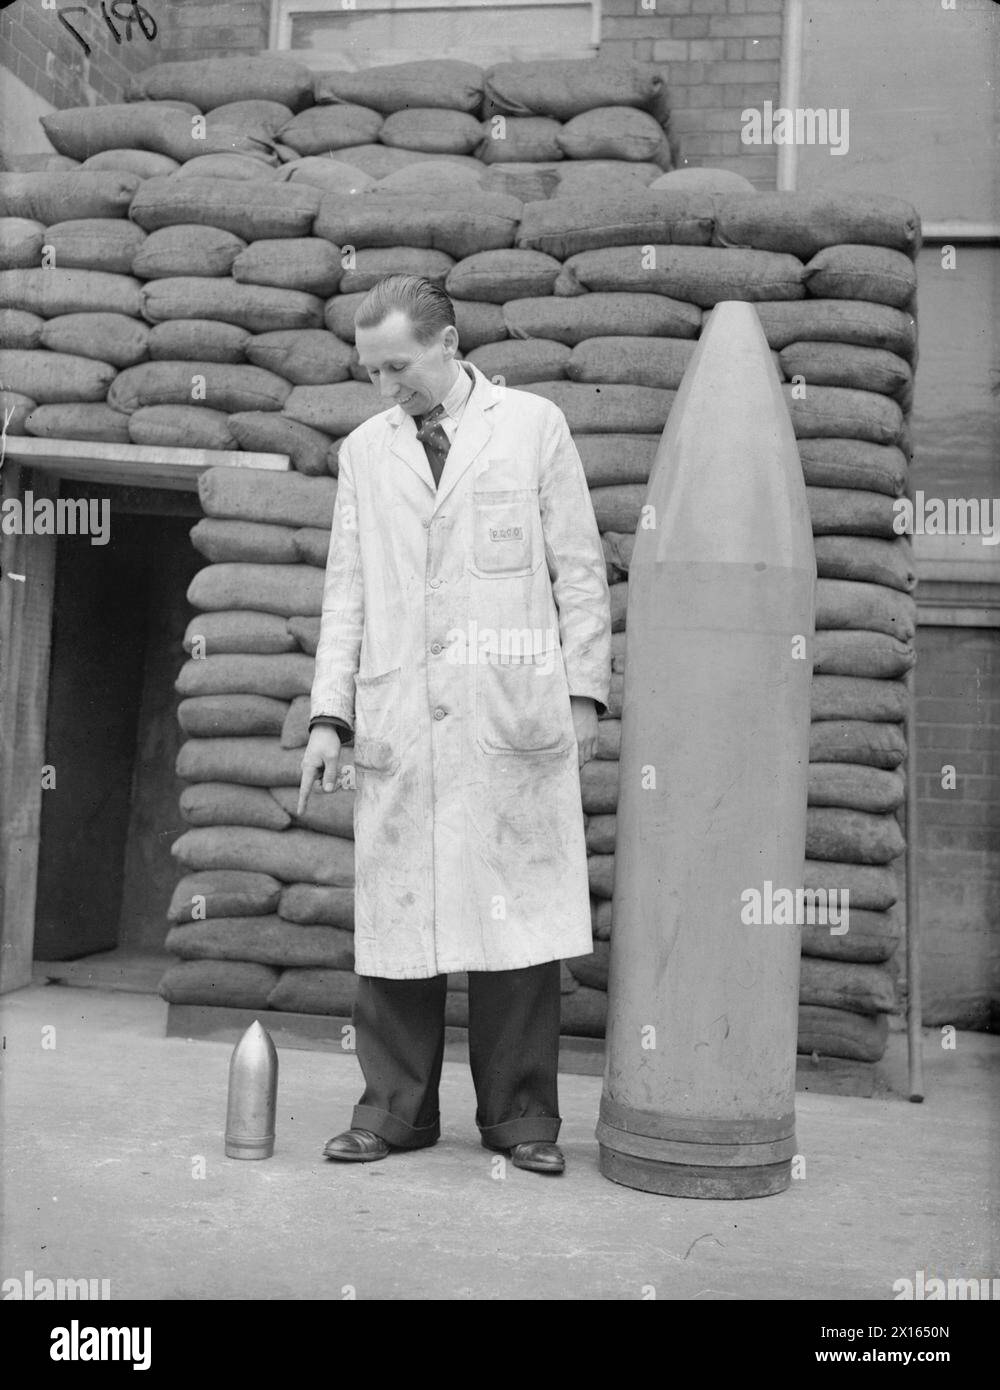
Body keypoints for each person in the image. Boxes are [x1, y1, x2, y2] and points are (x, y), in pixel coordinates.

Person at [297, 274, 612, 1175]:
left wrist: (581, 696)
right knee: (399, 911)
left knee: (514, 918)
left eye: (397, 366)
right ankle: (394, 1110)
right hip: (403, 713)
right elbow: (346, 593)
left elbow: (579, 569)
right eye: (370, 370)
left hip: (510, 710)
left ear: (447, 343)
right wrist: (331, 718)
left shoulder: (532, 427)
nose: (384, 386)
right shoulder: (365, 450)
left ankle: (521, 1121)